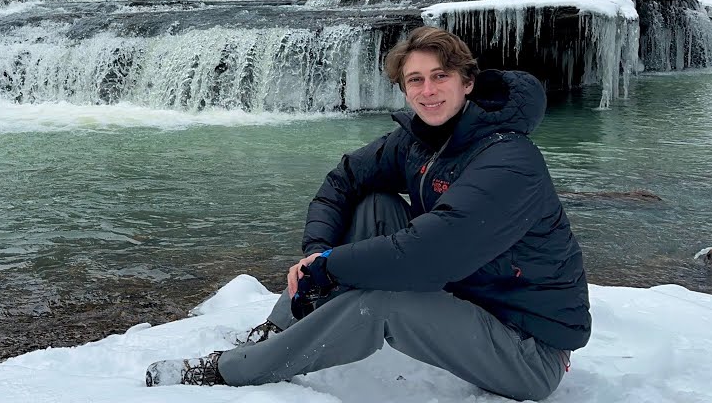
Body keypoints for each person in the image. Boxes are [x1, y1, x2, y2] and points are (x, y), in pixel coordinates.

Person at [146, 26, 590, 400]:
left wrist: (329, 267)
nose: (428, 90)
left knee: (382, 303)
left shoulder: (509, 159)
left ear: (467, 82)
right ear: (403, 87)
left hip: (528, 349)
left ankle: (232, 371)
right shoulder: (421, 142)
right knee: (373, 205)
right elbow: (342, 180)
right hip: (468, 298)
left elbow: (429, 255)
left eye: (440, 76)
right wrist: (316, 252)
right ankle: (276, 329)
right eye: (415, 80)